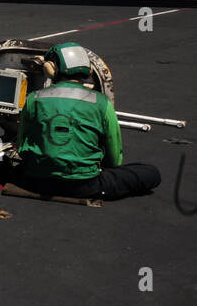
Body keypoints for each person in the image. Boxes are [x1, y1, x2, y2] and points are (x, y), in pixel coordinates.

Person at [12, 42, 160, 200]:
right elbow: (115, 158)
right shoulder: (102, 103)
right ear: (89, 69)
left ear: (51, 69)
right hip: (83, 185)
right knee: (150, 173)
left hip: (37, 182)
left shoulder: (34, 98)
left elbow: (22, 146)